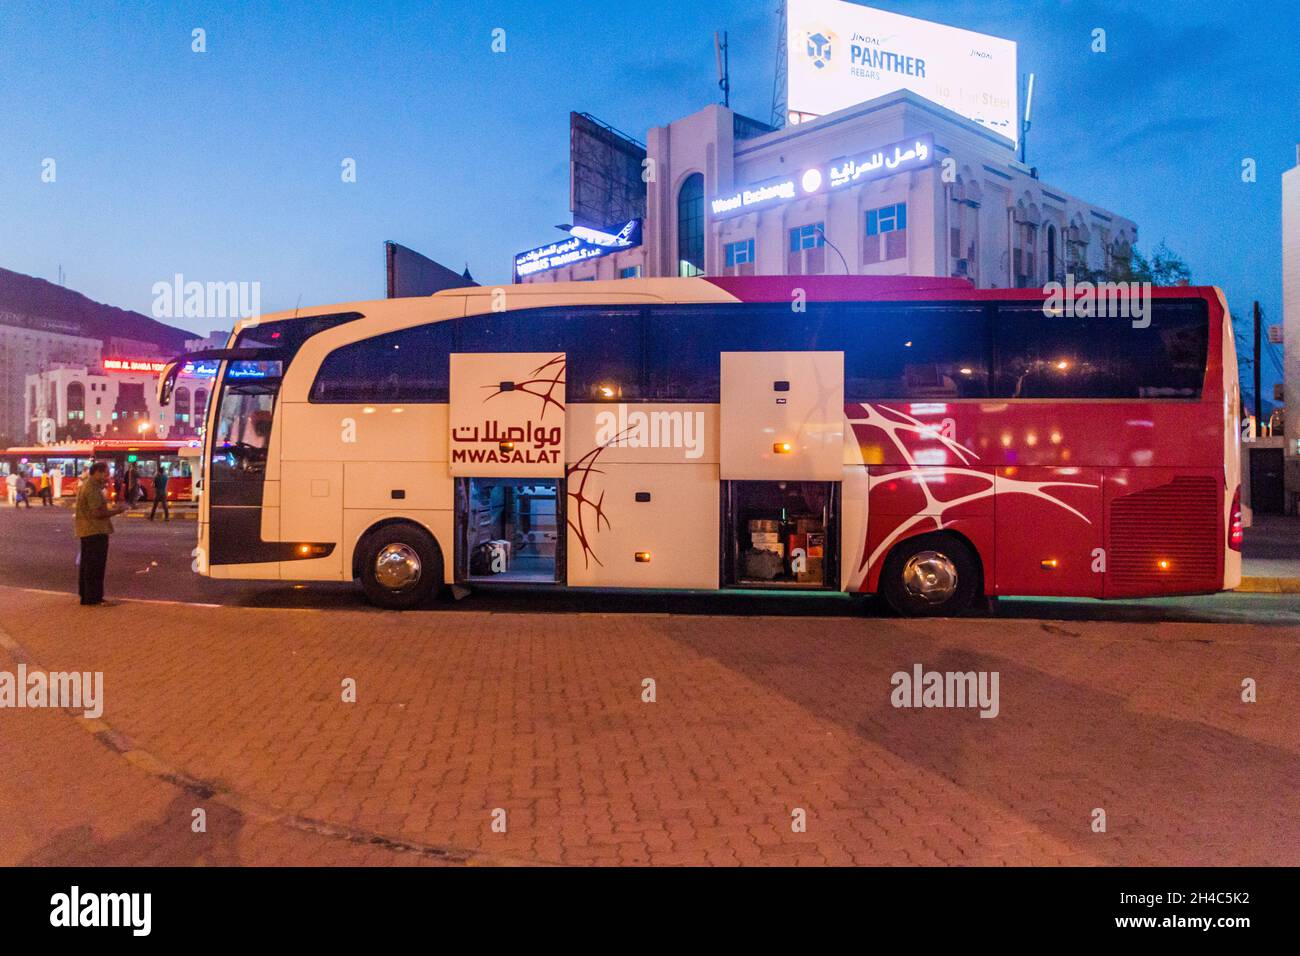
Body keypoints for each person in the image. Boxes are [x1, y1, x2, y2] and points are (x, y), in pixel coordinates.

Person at [75, 461, 128, 606]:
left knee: (87, 565)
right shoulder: (92, 488)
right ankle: (94, 598)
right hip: (95, 530)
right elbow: (97, 513)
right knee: (95, 566)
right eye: (106, 473)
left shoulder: (88, 485)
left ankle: (86, 595)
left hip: (87, 530)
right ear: (97, 472)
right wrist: (118, 510)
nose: (108, 476)